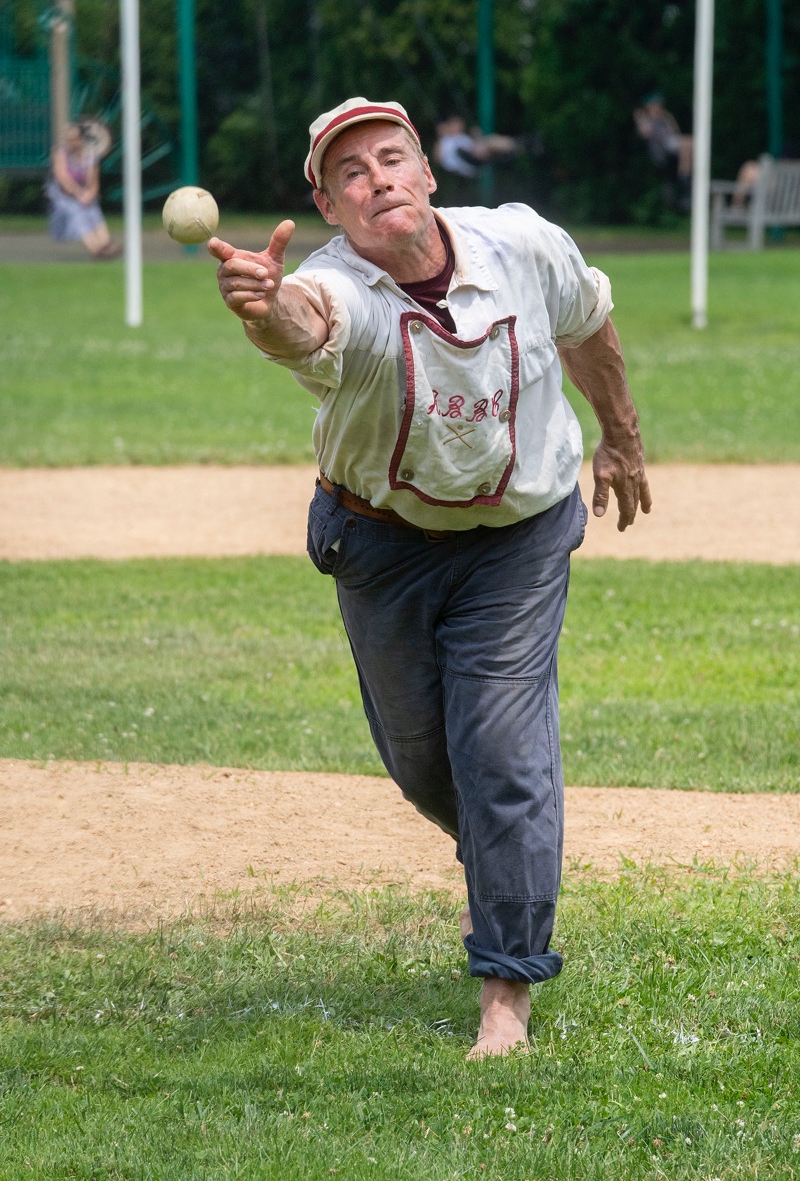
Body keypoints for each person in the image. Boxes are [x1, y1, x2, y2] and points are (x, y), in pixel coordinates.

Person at [209, 97, 651, 1059]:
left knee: (502, 753)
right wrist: (266, 308)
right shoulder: (342, 286)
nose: (377, 180)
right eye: (351, 173)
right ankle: (503, 857)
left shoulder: (522, 245)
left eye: (391, 158)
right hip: (382, 545)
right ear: (331, 207)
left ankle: (506, 991)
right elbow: (304, 326)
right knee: (421, 760)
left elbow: (587, 323)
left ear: (428, 171)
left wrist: (620, 434)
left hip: (518, 541)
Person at [45, 122, 121, 260]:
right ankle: (96, 248)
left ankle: (106, 243)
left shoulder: (90, 156)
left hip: (83, 193)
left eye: (74, 139)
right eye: (69, 139)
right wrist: (79, 194)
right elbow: (63, 178)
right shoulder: (60, 153)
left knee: (93, 211)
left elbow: (93, 181)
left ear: (81, 139)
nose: (71, 142)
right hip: (63, 195)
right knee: (77, 214)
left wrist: (89, 195)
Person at [434, 114, 523, 180]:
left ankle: (512, 146)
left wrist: (476, 136)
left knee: (490, 140)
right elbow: (438, 158)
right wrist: (440, 137)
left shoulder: (463, 138)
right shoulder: (444, 141)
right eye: (455, 125)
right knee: (487, 143)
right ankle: (513, 145)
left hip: (472, 156)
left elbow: (475, 145)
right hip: (463, 160)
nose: (458, 127)